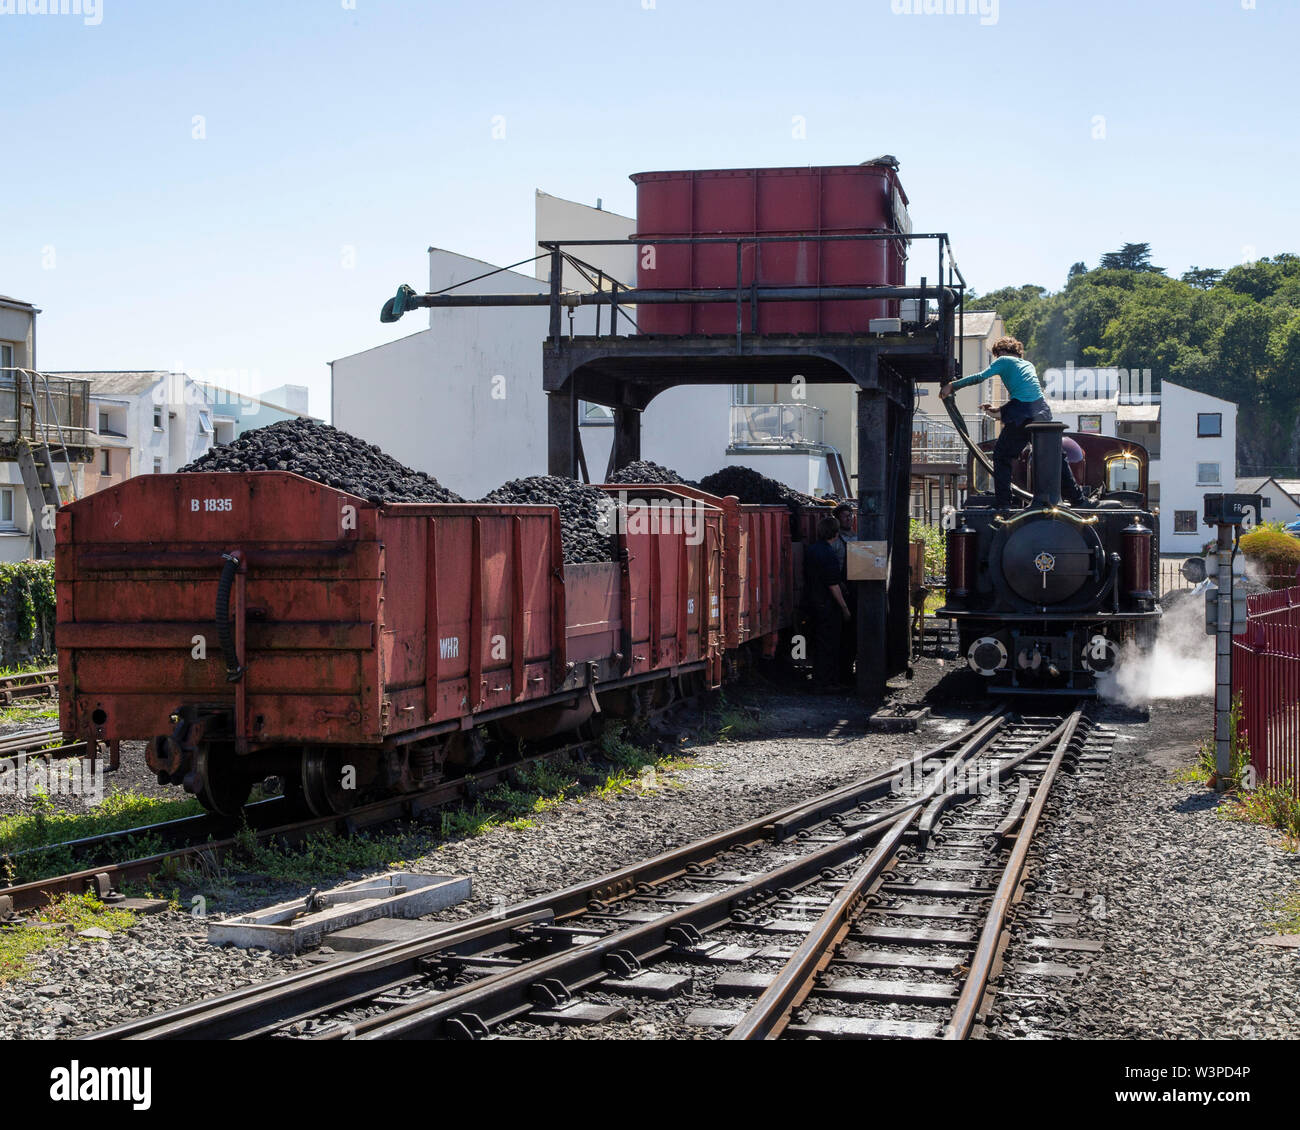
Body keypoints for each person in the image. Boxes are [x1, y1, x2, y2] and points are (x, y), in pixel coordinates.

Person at [941, 337, 1083, 509]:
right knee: (1054, 456)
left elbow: (980, 377)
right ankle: (1077, 499)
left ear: (1000, 351)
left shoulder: (1003, 359)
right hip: (1042, 411)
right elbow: (1026, 397)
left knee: (1001, 455)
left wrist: (952, 386)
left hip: (1023, 412)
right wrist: (998, 410)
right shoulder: (1028, 364)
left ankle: (1003, 503)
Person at [804, 515, 852, 693]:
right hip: (827, 605)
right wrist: (845, 608)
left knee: (819, 643)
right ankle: (826, 683)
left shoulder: (812, 549)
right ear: (836, 533)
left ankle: (820, 680)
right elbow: (833, 585)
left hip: (813, 602)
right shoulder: (829, 554)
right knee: (830, 645)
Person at [830, 503, 857, 684]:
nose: (849, 519)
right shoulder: (835, 542)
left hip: (854, 588)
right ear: (838, 519)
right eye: (845, 516)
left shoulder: (856, 537)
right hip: (839, 588)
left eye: (851, 515)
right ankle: (840, 672)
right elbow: (831, 570)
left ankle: (848, 669)